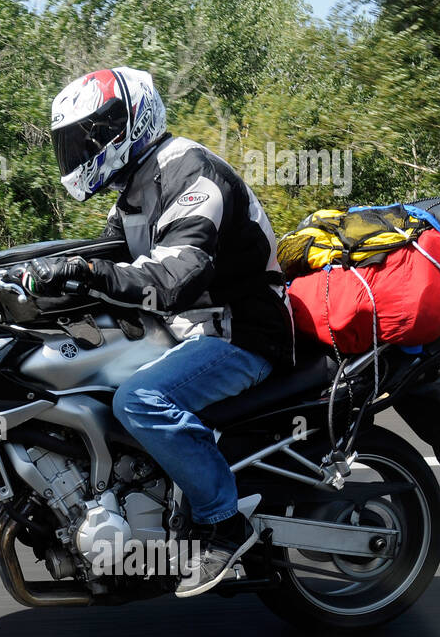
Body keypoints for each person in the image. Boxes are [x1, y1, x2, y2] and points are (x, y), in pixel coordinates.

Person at [15, 67, 294, 597]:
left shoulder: (191, 174)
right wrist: (1, 269)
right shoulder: (137, 188)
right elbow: (102, 252)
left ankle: (223, 525)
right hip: (190, 330)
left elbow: (171, 279)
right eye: (72, 143)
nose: (79, 152)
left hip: (241, 332)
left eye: (88, 138)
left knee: (138, 400)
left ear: (130, 123)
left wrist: (84, 273)